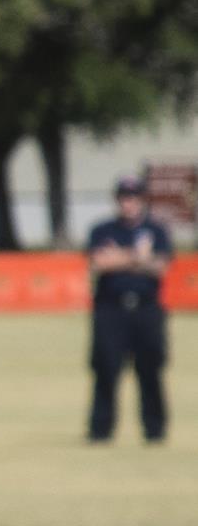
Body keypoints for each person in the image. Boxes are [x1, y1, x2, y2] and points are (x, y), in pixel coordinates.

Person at [86, 188, 174, 446]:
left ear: (142, 200)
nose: (128, 203)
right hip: (111, 309)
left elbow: (160, 267)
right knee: (106, 368)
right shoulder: (102, 230)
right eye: (123, 198)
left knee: (150, 370)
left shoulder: (156, 230)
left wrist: (119, 256)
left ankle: (154, 430)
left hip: (146, 309)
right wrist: (138, 256)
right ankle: (100, 430)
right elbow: (99, 263)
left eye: (133, 197)